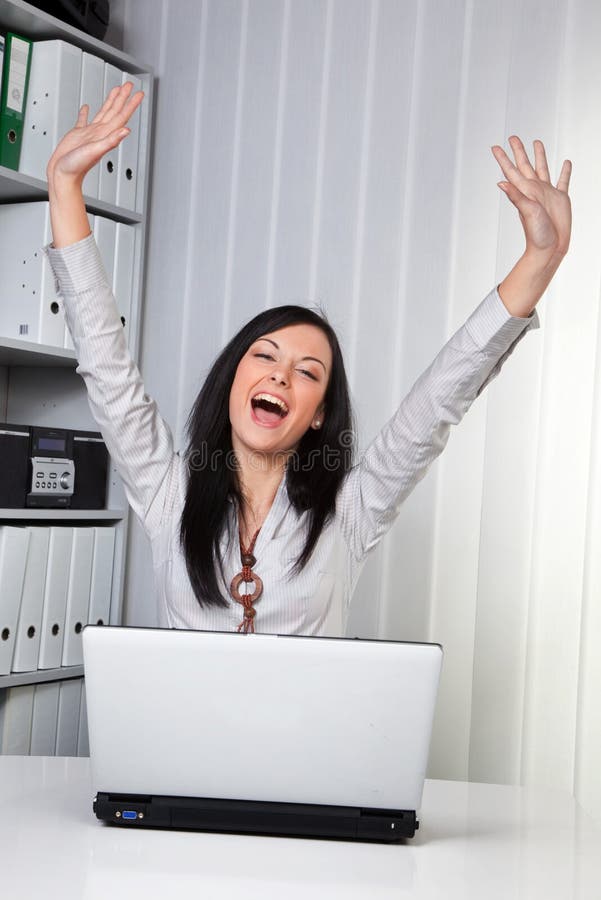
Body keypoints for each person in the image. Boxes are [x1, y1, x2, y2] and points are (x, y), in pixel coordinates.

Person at [44, 84, 572, 636]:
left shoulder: (351, 511)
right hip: (178, 726)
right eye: (265, 355)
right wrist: (64, 185)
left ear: (319, 412)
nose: (280, 374)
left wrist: (542, 259)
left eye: (307, 372)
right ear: (233, 379)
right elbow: (105, 364)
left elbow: (440, 396)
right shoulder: (167, 491)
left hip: (310, 727)